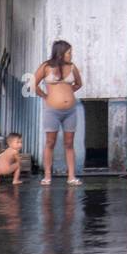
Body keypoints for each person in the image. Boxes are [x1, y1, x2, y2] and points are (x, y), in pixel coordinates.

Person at [34, 39, 84, 186]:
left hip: (70, 111)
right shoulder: (46, 66)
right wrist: (45, 96)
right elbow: (33, 84)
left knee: (69, 143)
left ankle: (71, 176)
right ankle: (47, 176)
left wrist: (68, 93)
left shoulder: (72, 67)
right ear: (61, 53)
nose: (71, 55)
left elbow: (79, 84)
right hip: (52, 111)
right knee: (50, 142)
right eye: (69, 52)